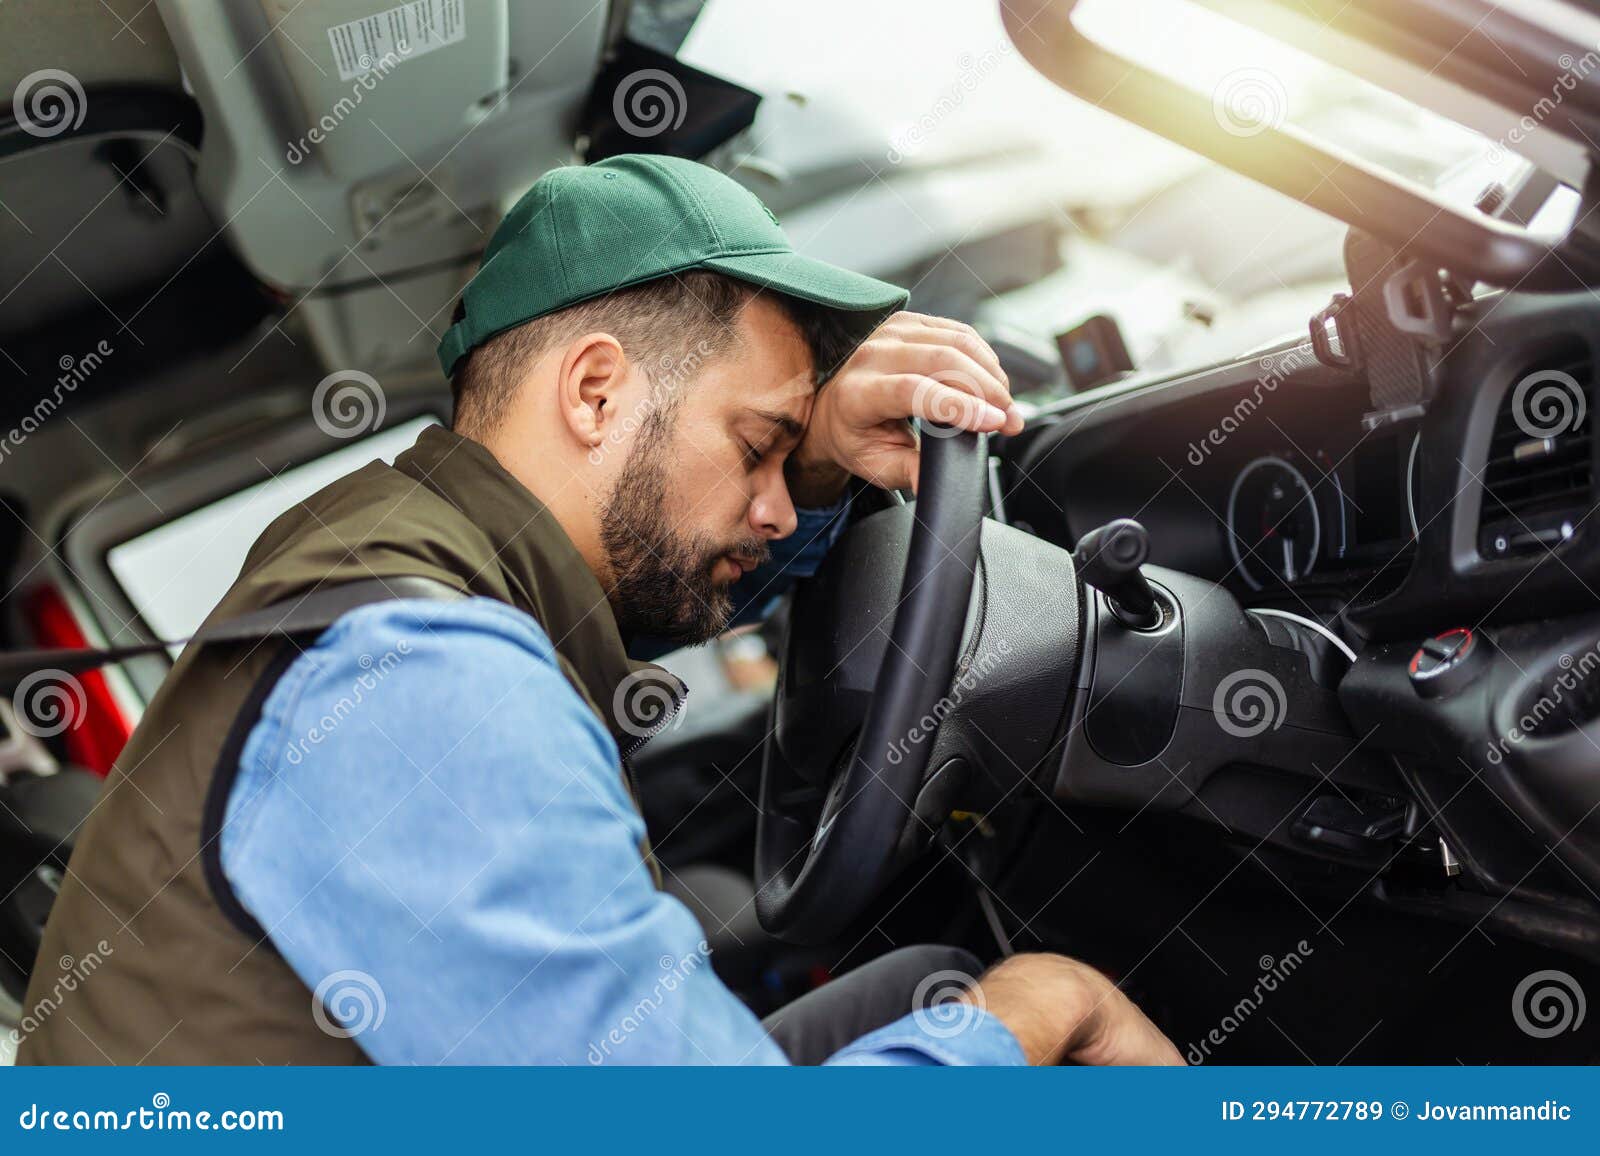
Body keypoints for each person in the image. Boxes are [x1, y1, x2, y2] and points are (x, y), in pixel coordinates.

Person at [19, 154, 1180, 1066]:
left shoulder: (404, 543)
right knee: (1029, 1014)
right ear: (595, 390)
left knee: (916, 977)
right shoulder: (425, 680)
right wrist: (1047, 1002)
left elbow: (664, 585)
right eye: (757, 445)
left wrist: (817, 461)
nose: (775, 512)